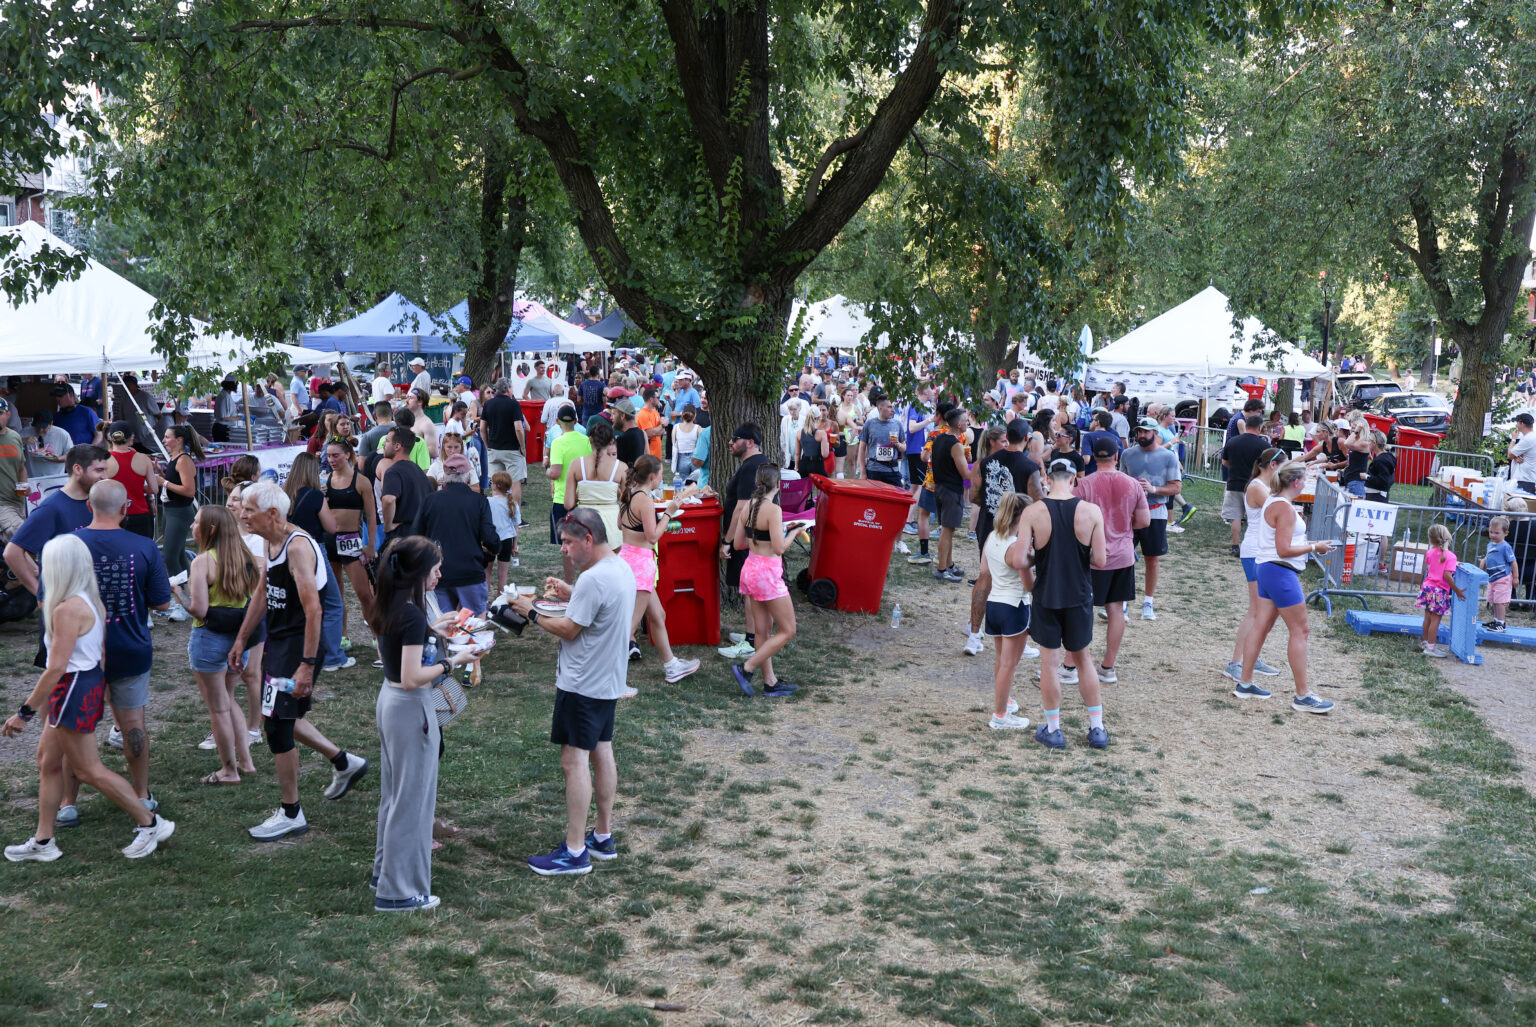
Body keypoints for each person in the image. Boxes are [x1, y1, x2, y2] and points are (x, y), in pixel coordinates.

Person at [3, 535, 176, 862]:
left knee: (88, 770)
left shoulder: (67, 608)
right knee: (47, 761)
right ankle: (43, 841)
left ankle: (150, 822)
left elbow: (55, 669)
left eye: (45, 561)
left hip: (72, 687)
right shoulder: (87, 598)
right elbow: (100, 654)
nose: (39, 568)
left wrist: (24, 713)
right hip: (83, 684)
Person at [507, 508, 636, 876]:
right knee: (601, 750)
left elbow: (568, 629)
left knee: (573, 760)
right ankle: (602, 836)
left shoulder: (594, 579)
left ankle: (575, 851)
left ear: (588, 540)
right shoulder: (618, 567)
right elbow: (596, 607)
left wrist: (530, 610)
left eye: (567, 542)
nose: (563, 549)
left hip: (583, 683)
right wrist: (571, 590)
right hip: (607, 679)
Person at [239, 482, 369, 841]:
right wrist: (242, 639)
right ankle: (344, 762)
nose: (243, 513)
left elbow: (314, 610)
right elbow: (264, 591)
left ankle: (291, 813)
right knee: (279, 715)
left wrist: (308, 664)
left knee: (277, 727)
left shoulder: (297, 547)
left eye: (249, 508)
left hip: (298, 646)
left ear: (273, 514)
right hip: (279, 643)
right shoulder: (270, 538)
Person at [368, 535, 482, 910]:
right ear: (419, 573)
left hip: (390, 702)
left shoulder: (392, 601)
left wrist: (435, 629)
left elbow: (404, 649)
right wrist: (457, 660)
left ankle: (384, 874)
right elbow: (413, 675)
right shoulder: (412, 613)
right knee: (412, 801)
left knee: (394, 796)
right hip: (409, 707)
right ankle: (399, 892)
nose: (440, 575)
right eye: (435, 569)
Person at [1020, 456, 1109, 750]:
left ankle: (1054, 729)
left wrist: (1039, 557)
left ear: (1048, 478)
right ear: (1073, 479)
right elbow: (1100, 559)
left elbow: (1021, 559)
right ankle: (1097, 729)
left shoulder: (1033, 512)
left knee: (1050, 663)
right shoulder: (1091, 511)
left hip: (1047, 594)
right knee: (1084, 659)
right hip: (1079, 595)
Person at [1235, 462, 1337, 712]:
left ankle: (1245, 683)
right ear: (1296, 483)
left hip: (1269, 568)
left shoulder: (1273, 501)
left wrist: (1312, 543)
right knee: (1300, 630)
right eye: (1305, 480)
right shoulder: (1285, 508)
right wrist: (1315, 548)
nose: (1307, 484)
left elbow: (1285, 541)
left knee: (1262, 625)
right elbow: (1284, 549)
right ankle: (1303, 695)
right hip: (1280, 571)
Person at [176, 504, 260, 784]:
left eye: (196, 522)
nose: (191, 527)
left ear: (210, 529)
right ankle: (246, 762)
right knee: (228, 700)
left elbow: (199, 610)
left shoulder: (202, 562)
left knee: (218, 708)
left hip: (209, 641)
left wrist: (178, 593)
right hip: (239, 641)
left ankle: (229, 770)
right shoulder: (246, 557)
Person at [614, 455, 701, 681]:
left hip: (628, 558)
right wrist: (669, 513)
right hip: (640, 565)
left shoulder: (629, 493)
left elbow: (619, 524)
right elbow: (652, 537)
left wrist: (658, 519)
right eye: (661, 475)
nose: (662, 479)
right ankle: (608, 678)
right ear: (652, 477)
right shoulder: (644, 499)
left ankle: (671, 665)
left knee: (658, 615)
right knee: (629, 628)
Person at [1073, 435, 1150, 683]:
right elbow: (1144, 521)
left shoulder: (1084, 485)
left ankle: (1069, 664)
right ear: (1117, 456)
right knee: (1116, 609)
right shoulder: (1133, 484)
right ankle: (1108, 666)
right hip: (1122, 555)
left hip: (1091, 556)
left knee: (1079, 608)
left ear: (1094, 457)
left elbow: (1073, 519)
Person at [728, 463, 807, 697]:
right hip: (768, 575)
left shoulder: (748, 507)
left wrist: (761, 539)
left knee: (762, 631)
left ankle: (770, 682)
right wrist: (792, 532)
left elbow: (738, 544)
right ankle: (747, 667)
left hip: (750, 569)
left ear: (756, 484)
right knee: (788, 629)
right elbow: (780, 548)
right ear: (779, 485)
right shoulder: (774, 510)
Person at [5, 444, 109, 600]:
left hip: (93, 601)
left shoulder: (97, 502)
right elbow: (12, 553)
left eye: (105, 470)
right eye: (99, 470)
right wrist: (41, 595)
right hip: (64, 609)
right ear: (78, 469)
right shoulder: (52, 508)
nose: (105, 476)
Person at [1223, 448, 1288, 685]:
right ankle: (1234, 664)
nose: (1284, 473)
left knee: (1264, 612)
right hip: (1254, 552)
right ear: (1272, 465)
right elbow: (1281, 508)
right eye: (1283, 467)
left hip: (1262, 551)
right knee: (1255, 611)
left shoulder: (1264, 486)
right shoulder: (1257, 488)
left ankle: (1252, 656)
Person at [284, 453, 351, 671]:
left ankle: (301, 653)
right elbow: (332, 527)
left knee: (299, 604)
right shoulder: (315, 496)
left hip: (288, 552)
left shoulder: (284, 495)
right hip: (314, 550)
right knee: (332, 603)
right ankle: (332, 657)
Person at [414, 454, 498, 616]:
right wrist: (494, 549)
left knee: (445, 623)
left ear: (444, 477)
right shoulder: (479, 501)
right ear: (468, 477)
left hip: (439, 572)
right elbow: (489, 537)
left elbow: (416, 536)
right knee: (475, 624)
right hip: (470, 570)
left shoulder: (430, 501)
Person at [717, 423, 770, 661]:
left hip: (748, 539)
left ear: (749, 442)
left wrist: (727, 541)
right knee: (749, 589)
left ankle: (751, 641)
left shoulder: (752, 467)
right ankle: (754, 634)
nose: (730, 442)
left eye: (734, 439)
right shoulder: (755, 464)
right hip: (753, 538)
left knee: (750, 590)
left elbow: (742, 507)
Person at [1119, 417, 1181, 621]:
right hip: (1130, 513)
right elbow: (1120, 480)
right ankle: (1123, 603)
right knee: (1124, 557)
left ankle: (1148, 602)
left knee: (1151, 558)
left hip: (1156, 512)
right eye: (1139, 432)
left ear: (1155, 433)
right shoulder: (1127, 454)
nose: (1142, 435)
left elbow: (1176, 487)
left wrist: (1154, 489)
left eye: (1146, 432)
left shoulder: (1168, 456)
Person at [982, 491, 1034, 730]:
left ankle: (1005, 702)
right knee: (1009, 664)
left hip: (994, 605)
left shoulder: (992, 536)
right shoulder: (1016, 547)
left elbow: (985, 571)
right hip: (1014, 606)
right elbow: (1028, 584)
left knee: (1002, 661)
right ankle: (1000, 715)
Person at [323, 435, 378, 638]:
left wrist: (371, 544)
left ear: (348, 455)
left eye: (335, 455)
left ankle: (376, 635)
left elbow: (371, 516)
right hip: (329, 540)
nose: (331, 460)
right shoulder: (325, 480)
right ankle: (342, 636)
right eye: (328, 456)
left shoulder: (361, 481)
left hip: (351, 540)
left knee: (364, 593)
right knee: (336, 596)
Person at [565, 419, 626, 558]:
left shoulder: (576, 464)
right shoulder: (621, 467)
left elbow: (568, 504)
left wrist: (581, 493)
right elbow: (627, 503)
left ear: (590, 439)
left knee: (587, 568)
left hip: (584, 520)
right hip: (612, 523)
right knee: (612, 567)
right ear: (611, 441)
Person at [928, 406, 972, 583]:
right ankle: (942, 569)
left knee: (949, 529)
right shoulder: (955, 445)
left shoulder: (939, 438)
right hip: (951, 490)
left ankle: (949, 564)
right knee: (946, 531)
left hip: (940, 488)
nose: (968, 422)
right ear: (960, 424)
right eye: (966, 420)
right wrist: (978, 466)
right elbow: (966, 475)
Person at [159, 425, 201, 603]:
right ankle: (192, 593)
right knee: (177, 555)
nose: (164, 440)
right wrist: (162, 474)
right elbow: (174, 481)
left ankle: (182, 598)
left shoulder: (183, 460)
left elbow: (189, 491)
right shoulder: (174, 458)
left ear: (179, 440)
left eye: (167, 437)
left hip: (180, 512)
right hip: (171, 510)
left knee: (170, 556)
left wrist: (164, 482)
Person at [1220, 414, 1269, 557]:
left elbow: (1225, 462)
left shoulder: (1232, 441)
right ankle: (1255, 545)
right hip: (1255, 486)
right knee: (1256, 517)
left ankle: (1235, 546)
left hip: (1234, 483)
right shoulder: (1263, 445)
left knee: (1235, 517)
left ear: (1246, 425)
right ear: (1259, 428)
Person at [1417, 523, 1465, 659]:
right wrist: (1457, 590)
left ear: (1431, 539)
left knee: (1427, 617)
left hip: (1427, 588)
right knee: (1436, 620)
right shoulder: (1451, 556)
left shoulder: (1430, 552)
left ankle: (1426, 643)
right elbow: (1446, 575)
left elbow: (1435, 563)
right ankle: (1431, 647)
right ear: (1448, 537)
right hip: (1439, 591)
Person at [380, 427, 432, 549]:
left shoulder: (393, 471)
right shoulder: (418, 470)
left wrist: (388, 526)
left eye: (387, 441)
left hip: (403, 537)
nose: (383, 444)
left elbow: (388, 500)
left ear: (397, 446)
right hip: (422, 535)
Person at [480, 378, 527, 505]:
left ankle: (498, 512)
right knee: (515, 482)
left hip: (494, 449)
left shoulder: (488, 404)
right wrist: (522, 446)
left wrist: (487, 445)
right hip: (512, 450)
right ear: (507, 389)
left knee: (496, 483)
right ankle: (516, 516)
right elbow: (519, 428)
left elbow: (482, 428)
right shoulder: (513, 404)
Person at [857, 395, 907, 489]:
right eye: (889, 407)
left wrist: (898, 444)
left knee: (895, 500)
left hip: (892, 471)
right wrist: (863, 471)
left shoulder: (897, 424)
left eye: (893, 407)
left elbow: (904, 448)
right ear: (880, 408)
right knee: (873, 502)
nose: (893, 410)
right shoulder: (869, 424)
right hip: (873, 470)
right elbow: (862, 448)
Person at [1482, 515, 1518, 631]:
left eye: (1497, 533)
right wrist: (1484, 563)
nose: (1493, 535)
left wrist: (1515, 577)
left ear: (1505, 533)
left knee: (1500, 601)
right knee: (1494, 600)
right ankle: (1496, 621)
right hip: (1493, 577)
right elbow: (1489, 557)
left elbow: (1513, 562)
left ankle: (1501, 623)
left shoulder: (1505, 547)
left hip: (1503, 577)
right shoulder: (1489, 545)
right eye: (1491, 532)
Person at [487, 470, 520, 593]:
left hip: (490, 540)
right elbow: (516, 528)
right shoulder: (513, 504)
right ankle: (501, 601)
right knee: (503, 575)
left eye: (491, 482)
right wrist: (515, 547)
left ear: (496, 485)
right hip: (507, 541)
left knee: (487, 572)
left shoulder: (488, 502)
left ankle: (484, 603)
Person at [0, 400, 27, 542]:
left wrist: (23, 487)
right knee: (21, 536)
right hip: (2, 504)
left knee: (13, 544)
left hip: (18, 503)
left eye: (0, 414)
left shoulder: (14, 437)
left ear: (8, 415)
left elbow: (21, 467)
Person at [24, 408, 71, 478]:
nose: (40, 430)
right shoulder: (25, 432)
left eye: (44, 427)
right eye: (37, 426)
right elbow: (11, 447)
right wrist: (23, 440)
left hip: (54, 478)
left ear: (51, 423)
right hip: (32, 478)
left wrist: (59, 459)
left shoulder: (62, 434)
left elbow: (71, 455)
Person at [1506, 413, 1536, 494]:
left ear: (1522, 423)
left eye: (1517, 423)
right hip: (1527, 479)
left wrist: (1513, 439)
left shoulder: (1528, 438)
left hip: (1524, 479)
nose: (1516, 425)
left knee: (1520, 505)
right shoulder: (1529, 437)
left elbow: (1509, 455)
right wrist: (1515, 456)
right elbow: (1514, 454)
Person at [612, 399, 647, 466]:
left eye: (614, 414)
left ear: (622, 416)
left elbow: (619, 467)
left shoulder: (622, 439)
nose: (612, 417)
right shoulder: (641, 433)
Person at [1363, 430, 1396, 502]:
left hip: (1376, 498)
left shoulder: (1381, 460)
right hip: (1377, 496)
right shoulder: (1386, 457)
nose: (1367, 443)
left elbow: (1383, 481)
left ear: (1374, 443)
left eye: (1369, 441)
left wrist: (1366, 476)